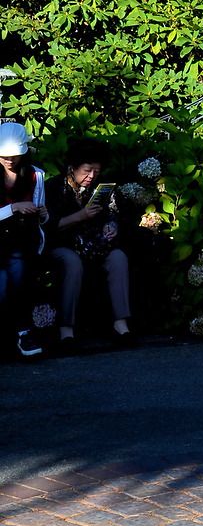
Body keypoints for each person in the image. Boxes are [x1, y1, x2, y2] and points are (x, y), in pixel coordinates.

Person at [45, 138, 134, 353]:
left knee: (118, 258)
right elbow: (48, 226)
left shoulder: (103, 188)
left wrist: (112, 227)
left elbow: (113, 214)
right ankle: (66, 330)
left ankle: (120, 324)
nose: (91, 176)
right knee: (71, 262)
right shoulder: (54, 187)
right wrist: (80, 216)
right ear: (73, 167)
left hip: (95, 245)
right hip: (63, 245)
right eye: (87, 170)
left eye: (96, 171)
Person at [0, 121, 47, 358]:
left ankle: (23, 333)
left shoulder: (35, 175)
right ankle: (17, 333)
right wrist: (14, 208)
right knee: (2, 283)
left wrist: (43, 214)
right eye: (4, 155)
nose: (9, 159)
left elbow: (42, 214)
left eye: (14, 155)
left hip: (20, 242)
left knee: (17, 275)